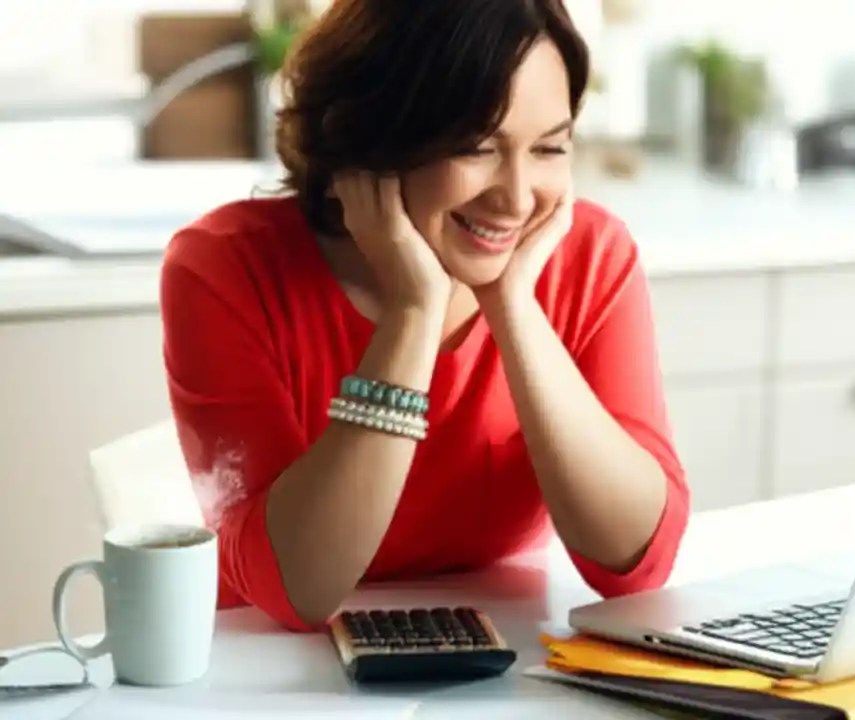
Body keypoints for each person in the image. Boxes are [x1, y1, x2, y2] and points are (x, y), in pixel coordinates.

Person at [159, 0, 690, 631]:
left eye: (548, 149)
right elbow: (297, 587)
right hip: (278, 680)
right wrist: (414, 312)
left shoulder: (592, 258)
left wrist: (514, 305)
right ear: (365, 141)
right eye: (476, 148)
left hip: (499, 667)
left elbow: (634, 560)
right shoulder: (223, 270)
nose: (517, 198)